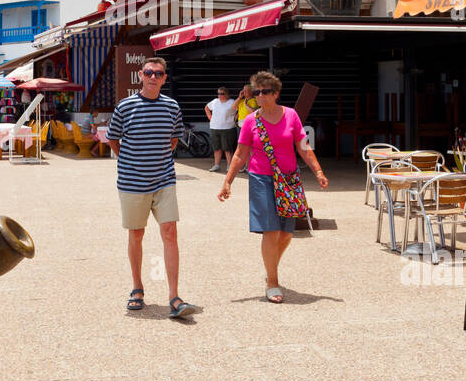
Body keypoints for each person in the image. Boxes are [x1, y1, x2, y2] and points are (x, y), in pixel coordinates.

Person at [218, 69, 328, 303]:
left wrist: (318, 171)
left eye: (265, 92)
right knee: (272, 230)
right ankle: (272, 281)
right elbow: (239, 155)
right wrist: (228, 181)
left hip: (288, 179)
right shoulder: (250, 121)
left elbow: (303, 146)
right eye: (256, 92)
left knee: (287, 234)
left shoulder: (291, 116)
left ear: (276, 93)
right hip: (261, 178)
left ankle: (270, 268)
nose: (260, 96)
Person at [107, 55, 197, 319]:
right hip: (132, 181)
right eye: (149, 73)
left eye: (158, 73)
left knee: (170, 233)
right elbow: (113, 139)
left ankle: (174, 297)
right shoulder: (125, 107)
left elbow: (173, 140)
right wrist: (130, 160)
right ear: (141, 75)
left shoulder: (172, 107)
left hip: (164, 179)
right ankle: (137, 287)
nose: (153, 77)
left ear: (164, 78)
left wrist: (158, 161)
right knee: (136, 234)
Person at [205, 85, 237, 172]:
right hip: (214, 127)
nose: (220, 95)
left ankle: (229, 166)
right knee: (216, 148)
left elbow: (238, 111)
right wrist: (210, 117)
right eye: (218, 93)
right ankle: (216, 165)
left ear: (226, 94)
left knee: (227, 148)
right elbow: (207, 107)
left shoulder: (231, 102)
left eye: (222, 93)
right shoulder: (215, 101)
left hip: (227, 128)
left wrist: (235, 119)